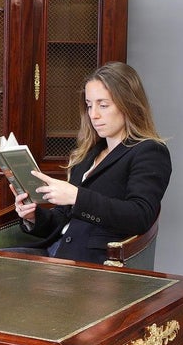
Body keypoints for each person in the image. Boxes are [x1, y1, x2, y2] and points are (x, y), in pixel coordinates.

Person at [11, 62, 171, 265]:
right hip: (56, 253)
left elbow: (140, 216)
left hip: (91, 265)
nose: (93, 114)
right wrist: (33, 216)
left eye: (103, 105)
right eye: (89, 105)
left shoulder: (149, 151)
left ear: (128, 105)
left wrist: (77, 197)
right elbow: (63, 218)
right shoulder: (88, 154)